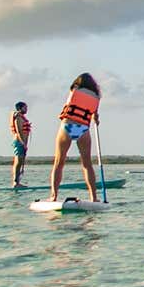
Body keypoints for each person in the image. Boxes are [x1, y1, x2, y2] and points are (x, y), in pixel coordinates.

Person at [46, 73, 102, 202]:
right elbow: (95, 115)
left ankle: (54, 196)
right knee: (87, 164)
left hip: (67, 126)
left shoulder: (75, 90)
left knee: (59, 163)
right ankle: (94, 197)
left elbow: (69, 103)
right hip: (83, 129)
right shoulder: (96, 96)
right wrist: (96, 120)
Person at [9, 102, 31, 187]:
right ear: (20, 108)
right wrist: (23, 143)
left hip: (22, 143)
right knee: (18, 162)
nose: (26, 109)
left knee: (20, 162)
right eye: (25, 108)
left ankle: (17, 182)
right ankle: (15, 182)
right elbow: (18, 132)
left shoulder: (22, 118)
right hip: (19, 142)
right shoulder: (18, 118)